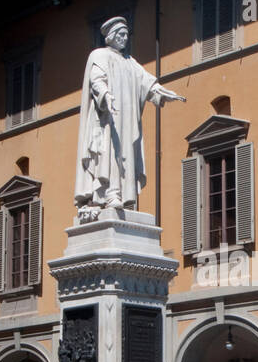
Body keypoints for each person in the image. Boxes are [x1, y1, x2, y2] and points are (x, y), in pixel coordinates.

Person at [74, 16, 184, 219]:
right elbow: (96, 79)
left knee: (126, 155)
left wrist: (163, 92)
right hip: (108, 119)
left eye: (126, 35)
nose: (125, 38)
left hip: (127, 121)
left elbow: (147, 83)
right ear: (112, 36)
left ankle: (124, 195)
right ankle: (111, 193)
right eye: (121, 35)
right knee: (109, 154)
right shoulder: (100, 55)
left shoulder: (130, 63)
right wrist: (105, 95)